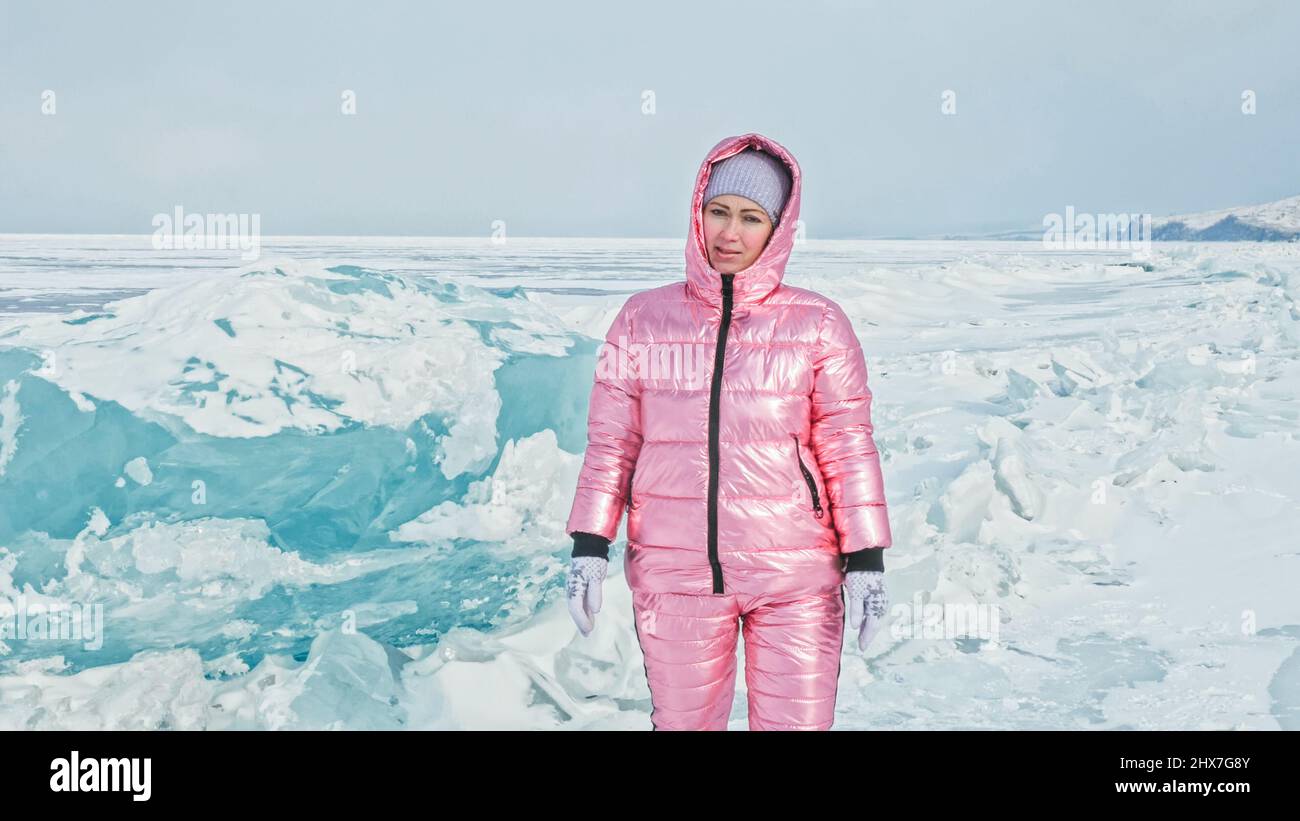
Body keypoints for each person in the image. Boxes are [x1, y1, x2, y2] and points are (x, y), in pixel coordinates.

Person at [564, 132, 892, 731]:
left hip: (795, 575)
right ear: (698, 212)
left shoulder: (818, 323)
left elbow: (848, 445)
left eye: (750, 217)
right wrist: (590, 544)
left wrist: (866, 558)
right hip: (675, 572)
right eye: (718, 211)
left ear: (778, 229)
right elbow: (612, 442)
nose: (729, 233)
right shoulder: (641, 320)